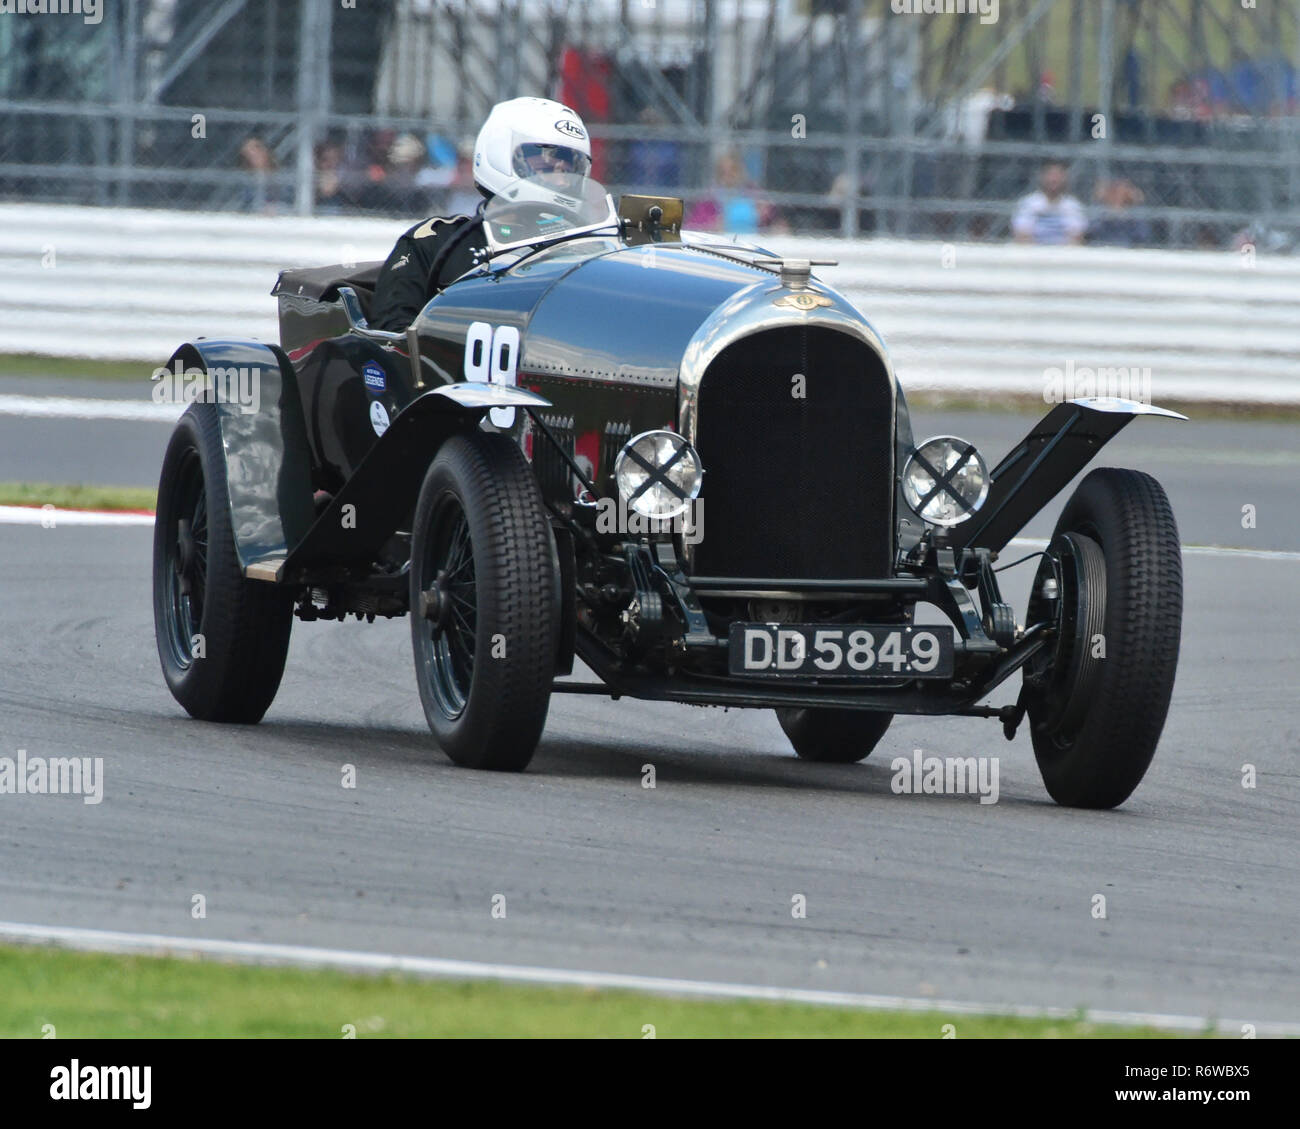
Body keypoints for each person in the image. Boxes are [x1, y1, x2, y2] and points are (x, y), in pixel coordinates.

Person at [369, 97, 592, 332]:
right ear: (500, 152)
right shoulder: (433, 242)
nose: (560, 179)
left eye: (569, 168)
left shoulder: (583, 255)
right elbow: (389, 338)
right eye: (546, 162)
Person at [1011, 160, 1087, 245]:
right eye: (1050, 175)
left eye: (1058, 175)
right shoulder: (1028, 203)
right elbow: (1022, 235)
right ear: (1042, 177)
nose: (1054, 179)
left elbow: (1076, 238)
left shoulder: (1073, 206)